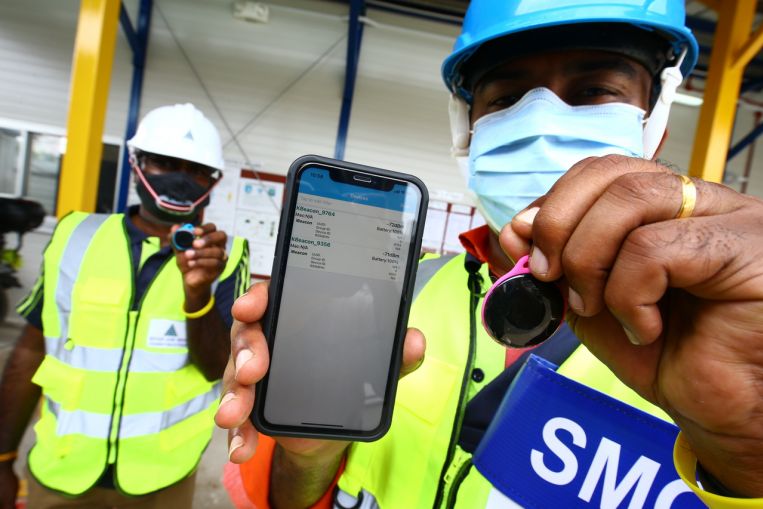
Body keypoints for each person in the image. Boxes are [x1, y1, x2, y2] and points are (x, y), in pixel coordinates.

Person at [217, 2, 763, 508]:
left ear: (656, 115)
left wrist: (747, 462)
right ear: (468, 128)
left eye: (595, 89)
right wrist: (305, 455)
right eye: (506, 99)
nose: (544, 120)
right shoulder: (399, 296)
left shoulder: (720, 336)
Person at [0, 103, 250, 508]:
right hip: (62, 473)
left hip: (162, 480)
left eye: (196, 169)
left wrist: (198, 297)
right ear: (136, 165)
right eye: (165, 162)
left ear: (213, 181)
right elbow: (31, 348)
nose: (180, 178)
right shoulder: (74, 236)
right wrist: (2, 456)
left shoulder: (227, 256)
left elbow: (214, 368)